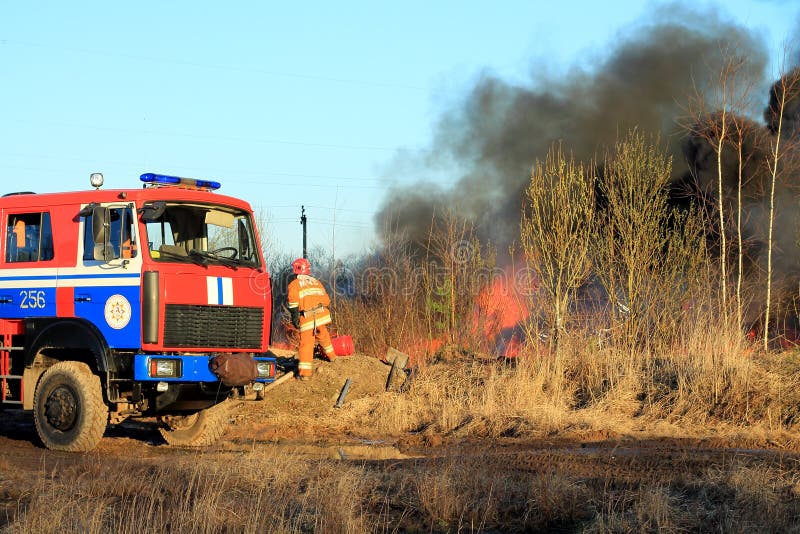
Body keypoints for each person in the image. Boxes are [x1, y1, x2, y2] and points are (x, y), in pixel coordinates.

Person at [287, 257, 336, 379]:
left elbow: (293, 304)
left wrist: (295, 317)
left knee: (306, 343)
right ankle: (332, 357)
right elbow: (326, 300)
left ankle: (305, 373)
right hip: (321, 315)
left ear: (297, 269)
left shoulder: (294, 284)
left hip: (308, 317)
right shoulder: (316, 282)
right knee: (323, 334)